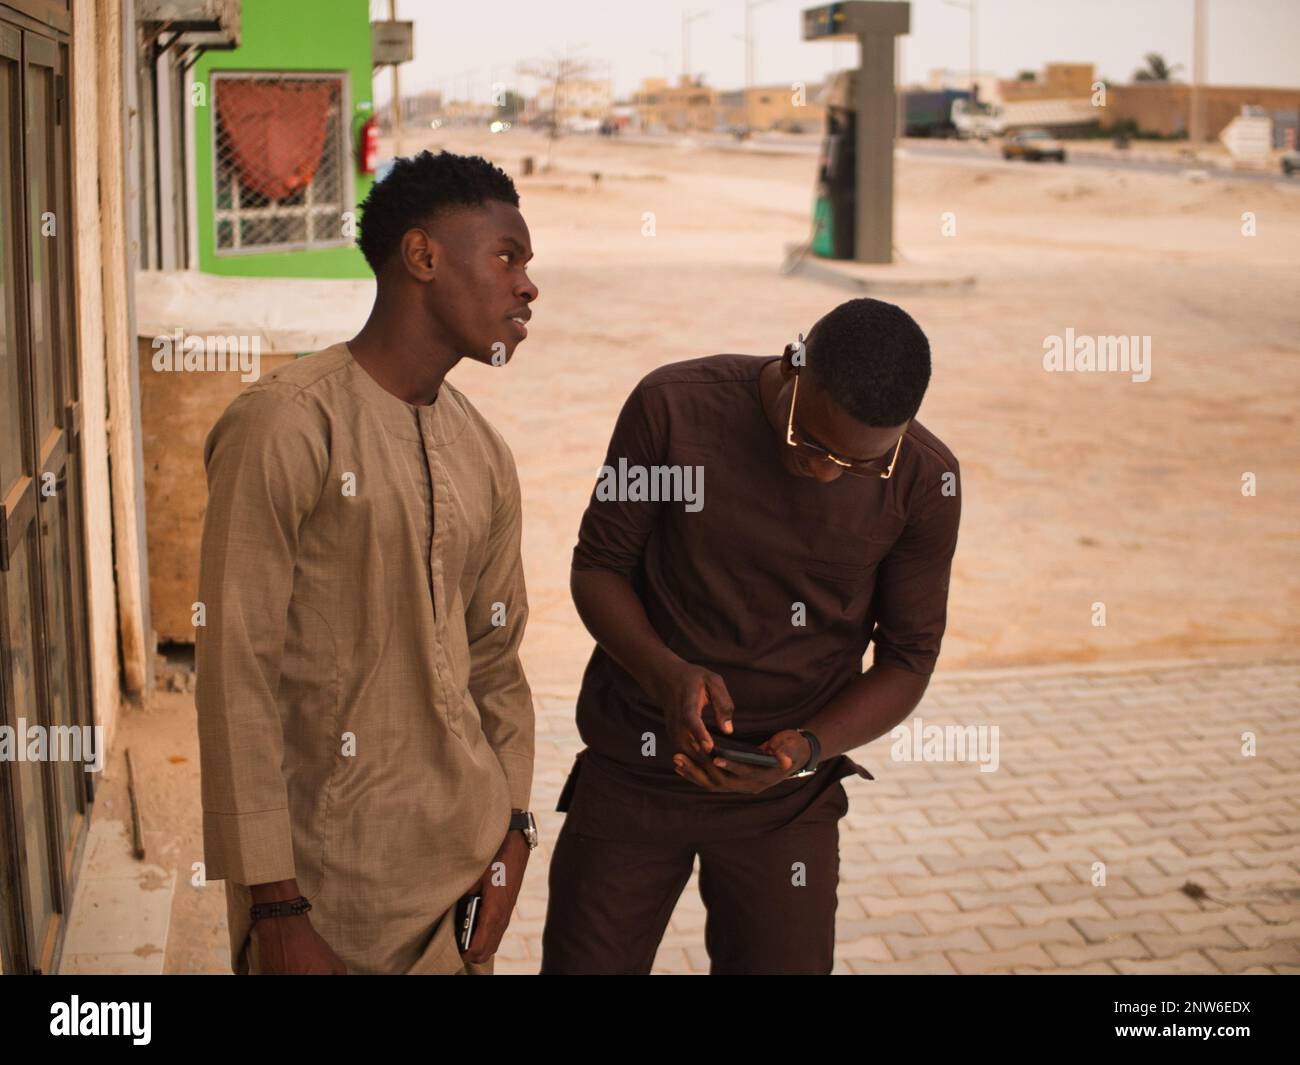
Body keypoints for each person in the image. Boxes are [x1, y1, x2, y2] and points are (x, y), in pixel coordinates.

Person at [195, 150, 540, 974]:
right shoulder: (285, 425)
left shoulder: (483, 451)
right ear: (421, 257)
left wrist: (515, 832)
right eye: (506, 257)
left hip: (459, 889)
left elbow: (496, 662)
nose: (528, 286)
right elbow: (234, 669)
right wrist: (275, 906)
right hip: (325, 892)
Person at [541, 298, 961, 974]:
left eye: (858, 465)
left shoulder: (924, 479)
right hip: (635, 766)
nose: (824, 470)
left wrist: (809, 747)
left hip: (786, 799)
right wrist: (665, 673)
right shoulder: (672, 409)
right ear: (796, 363)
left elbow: (909, 660)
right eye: (812, 440)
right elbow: (598, 568)